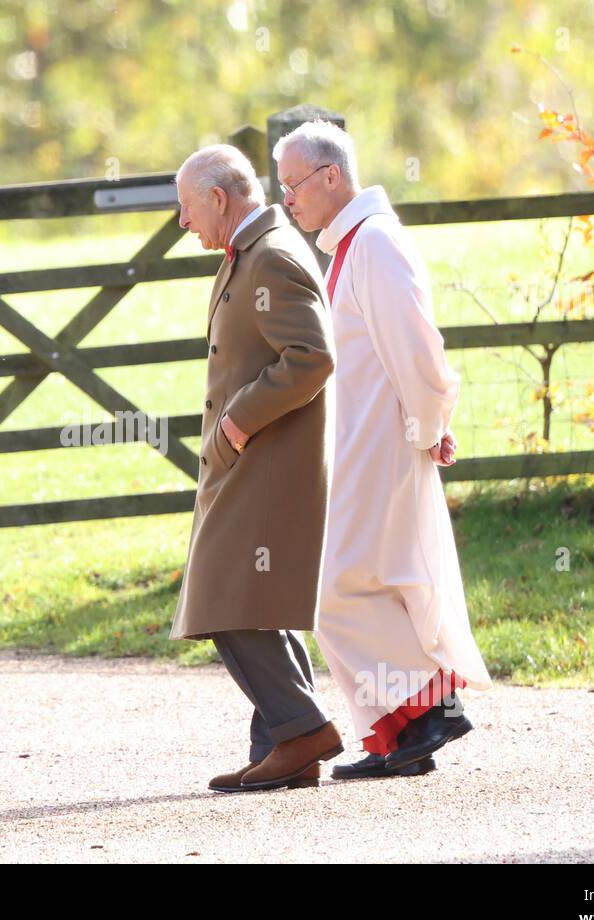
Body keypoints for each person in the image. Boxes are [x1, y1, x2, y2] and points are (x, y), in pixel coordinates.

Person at [272, 119, 493, 780]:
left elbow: (419, 349)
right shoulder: (353, 243)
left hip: (387, 447)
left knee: (334, 589)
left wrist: (430, 424)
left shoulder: (375, 244)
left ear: (332, 175)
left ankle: (426, 708)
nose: (289, 200)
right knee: (356, 584)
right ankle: (402, 730)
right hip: (363, 445)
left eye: (294, 184)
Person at [167, 143, 343, 793]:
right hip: (252, 459)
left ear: (218, 197)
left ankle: (302, 728)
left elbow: (312, 356)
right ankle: (281, 745)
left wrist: (237, 422)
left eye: (187, 207)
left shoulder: (270, 255)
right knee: (254, 599)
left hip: (266, 458)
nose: (183, 221)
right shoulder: (255, 250)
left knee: (226, 598)